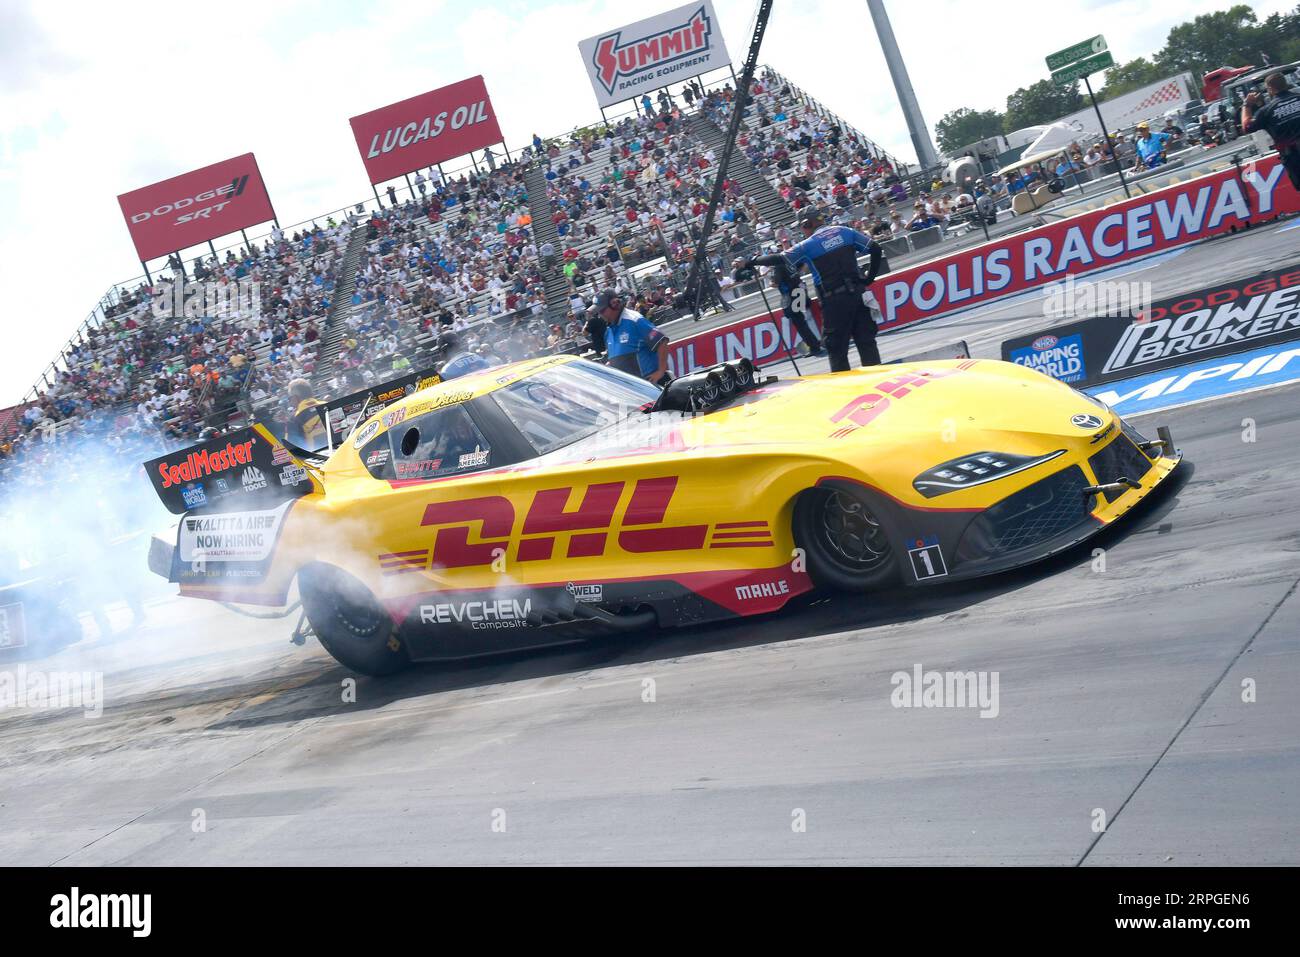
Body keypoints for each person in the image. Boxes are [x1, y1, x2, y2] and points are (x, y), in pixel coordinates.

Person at [749, 207, 882, 372]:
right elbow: (876, 249)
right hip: (859, 295)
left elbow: (780, 258)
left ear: (807, 224)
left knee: (836, 350)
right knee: (867, 343)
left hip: (834, 302)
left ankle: (847, 393)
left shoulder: (808, 245)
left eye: (802, 227)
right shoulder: (844, 231)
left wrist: (753, 261)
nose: (801, 230)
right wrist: (869, 278)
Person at [736, 253, 822, 357]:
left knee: (799, 322)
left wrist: (771, 279)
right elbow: (801, 268)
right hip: (799, 290)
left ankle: (814, 346)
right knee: (803, 320)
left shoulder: (778, 267)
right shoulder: (789, 261)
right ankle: (815, 343)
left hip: (792, 295)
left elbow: (775, 283)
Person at [593, 290, 670, 384]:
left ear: (614, 304)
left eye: (602, 310)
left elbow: (662, 341)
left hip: (652, 385)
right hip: (633, 390)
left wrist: (661, 372)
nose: (600, 315)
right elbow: (615, 359)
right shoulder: (608, 331)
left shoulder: (634, 320)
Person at [1243, 72, 1300, 188]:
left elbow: (1246, 126)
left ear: (1270, 89)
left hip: (1293, 158)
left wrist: (1247, 105)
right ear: (1286, 84)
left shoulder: (1267, 111)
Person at [287, 378, 327, 450]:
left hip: (320, 458)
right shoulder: (329, 405)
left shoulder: (294, 419)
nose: (289, 402)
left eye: (289, 398)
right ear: (312, 393)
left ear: (295, 397)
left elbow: (292, 448)